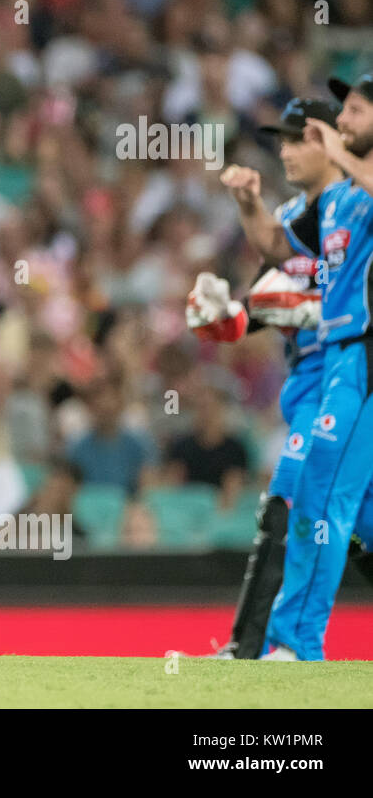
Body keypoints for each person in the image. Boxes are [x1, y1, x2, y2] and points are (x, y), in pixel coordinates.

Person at [188, 97, 339, 659]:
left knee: (293, 502)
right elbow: (252, 313)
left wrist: (313, 309)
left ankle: (269, 645)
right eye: (283, 140)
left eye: (299, 138)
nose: (286, 150)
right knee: (333, 517)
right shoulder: (301, 221)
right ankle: (254, 646)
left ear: (331, 141)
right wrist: (214, 315)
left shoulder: (357, 209)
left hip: (348, 383)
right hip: (311, 387)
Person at [231, 73, 373, 659]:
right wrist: (247, 201)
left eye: (357, 112)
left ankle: (294, 644)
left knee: (321, 495)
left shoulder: (358, 185)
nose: (342, 122)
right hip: (341, 357)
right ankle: (273, 642)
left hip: (363, 357)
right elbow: (283, 249)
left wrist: (337, 152)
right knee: (353, 507)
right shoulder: (340, 198)